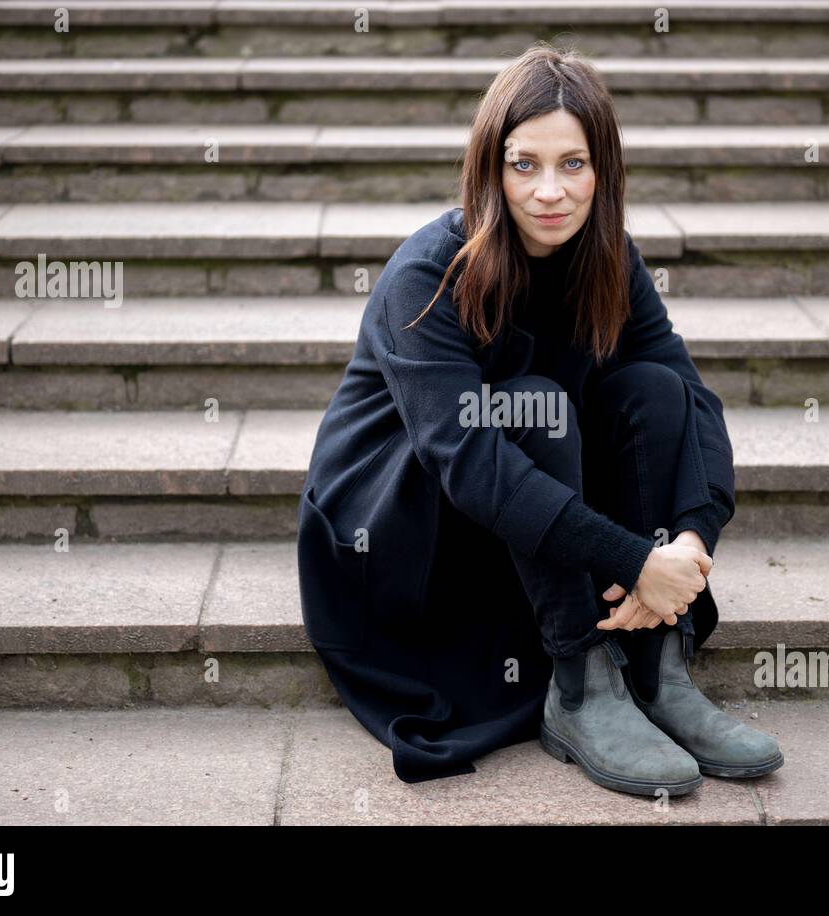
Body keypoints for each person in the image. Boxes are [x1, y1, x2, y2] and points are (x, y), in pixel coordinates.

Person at [297, 43, 783, 797]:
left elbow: (693, 401)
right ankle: (581, 681)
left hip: (532, 515)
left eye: (573, 164)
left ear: (603, 171)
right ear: (490, 168)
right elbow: (471, 463)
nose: (549, 190)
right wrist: (631, 558)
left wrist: (689, 540)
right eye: (524, 164)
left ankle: (656, 666)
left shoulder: (609, 257)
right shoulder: (428, 275)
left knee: (654, 388)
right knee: (535, 405)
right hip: (402, 521)